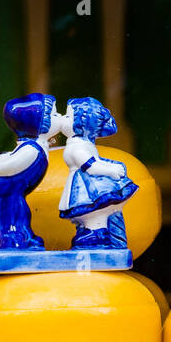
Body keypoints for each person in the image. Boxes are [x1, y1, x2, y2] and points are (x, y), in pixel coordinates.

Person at [0, 93, 66, 251]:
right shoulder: (31, 150)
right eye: (54, 114)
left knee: (20, 212)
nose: (60, 116)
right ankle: (9, 242)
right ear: (38, 124)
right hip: (5, 189)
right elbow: (10, 164)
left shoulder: (35, 146)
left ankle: (21, 237)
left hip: (13, 189)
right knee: (12, 214)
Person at [58, 97, 139, 250]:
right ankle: (90, 231)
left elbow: (92, 165)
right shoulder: (77, 147)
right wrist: (110, 169)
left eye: (68, 116)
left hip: (89, 189)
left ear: (82, 126)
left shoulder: (80, 146)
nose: (63, 118)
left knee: (95, 213)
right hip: (85, 186)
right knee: (91, 212)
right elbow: (91, 166)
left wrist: (110, 167)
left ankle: (97, 233)